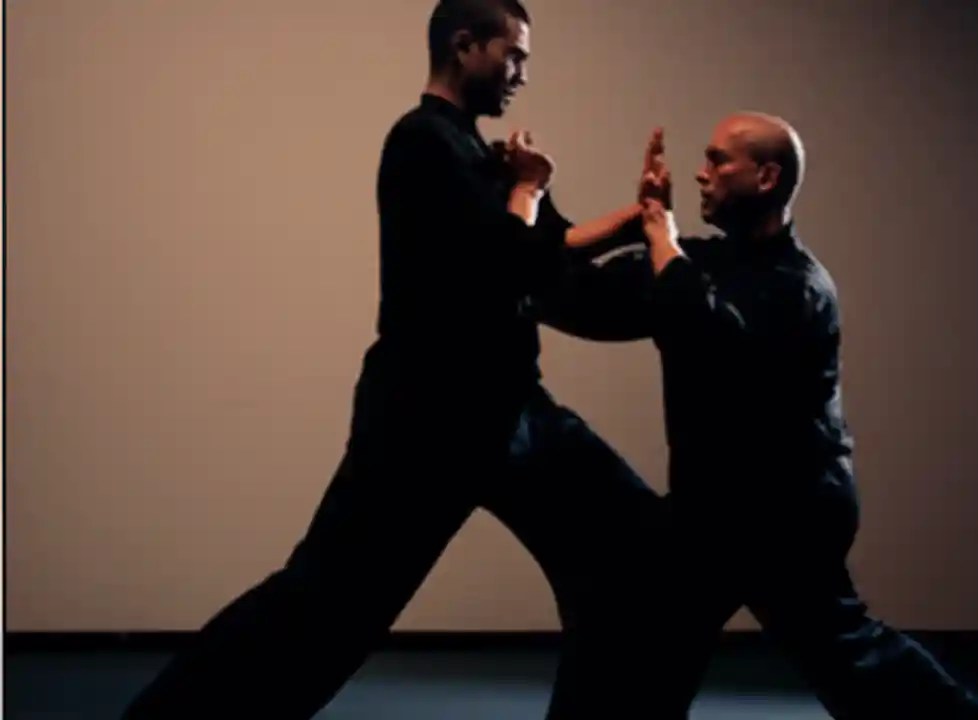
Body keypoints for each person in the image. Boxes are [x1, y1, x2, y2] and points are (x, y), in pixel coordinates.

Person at [121, 1, 666, 718]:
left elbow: (546, 253)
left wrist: (638, 218)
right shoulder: (420, 143)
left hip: (508, 410)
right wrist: (527, 189)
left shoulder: (483, 155)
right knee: (325, 605)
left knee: (633, 554)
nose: (521, 75)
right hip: (426, 418)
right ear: (465, 46)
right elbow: (505, 263)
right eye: (513, 56)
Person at [568, 115, 978, 718]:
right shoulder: (697, 263)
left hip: (787, 513)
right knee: (644, 647)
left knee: (852, 658)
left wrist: (661, 235)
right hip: (712, 510)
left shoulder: (798, 287)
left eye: (718, 160)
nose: (701, 173)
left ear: (767, 177)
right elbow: (582, 300)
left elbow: (704, 333)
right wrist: (620, 220)